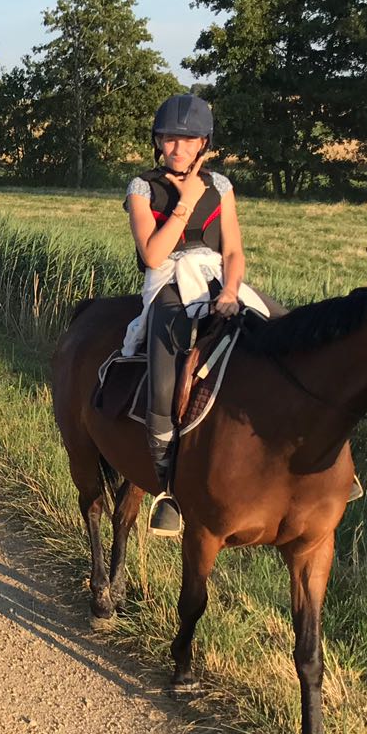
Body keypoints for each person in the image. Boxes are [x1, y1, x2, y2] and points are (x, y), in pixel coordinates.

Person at [124, 94, 264, 538]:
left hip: (216, 278)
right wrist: (185, 202)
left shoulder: (221, 186)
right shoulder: (141, 188)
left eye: (187, 141)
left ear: (204, 144)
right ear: (158, 142)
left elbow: (235, 250)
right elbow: (152, 254)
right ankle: (166, 478)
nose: (177, 149)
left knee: (283, 330)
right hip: (167, 281)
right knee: (166, 365)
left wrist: (231, 291)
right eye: (168, 139)